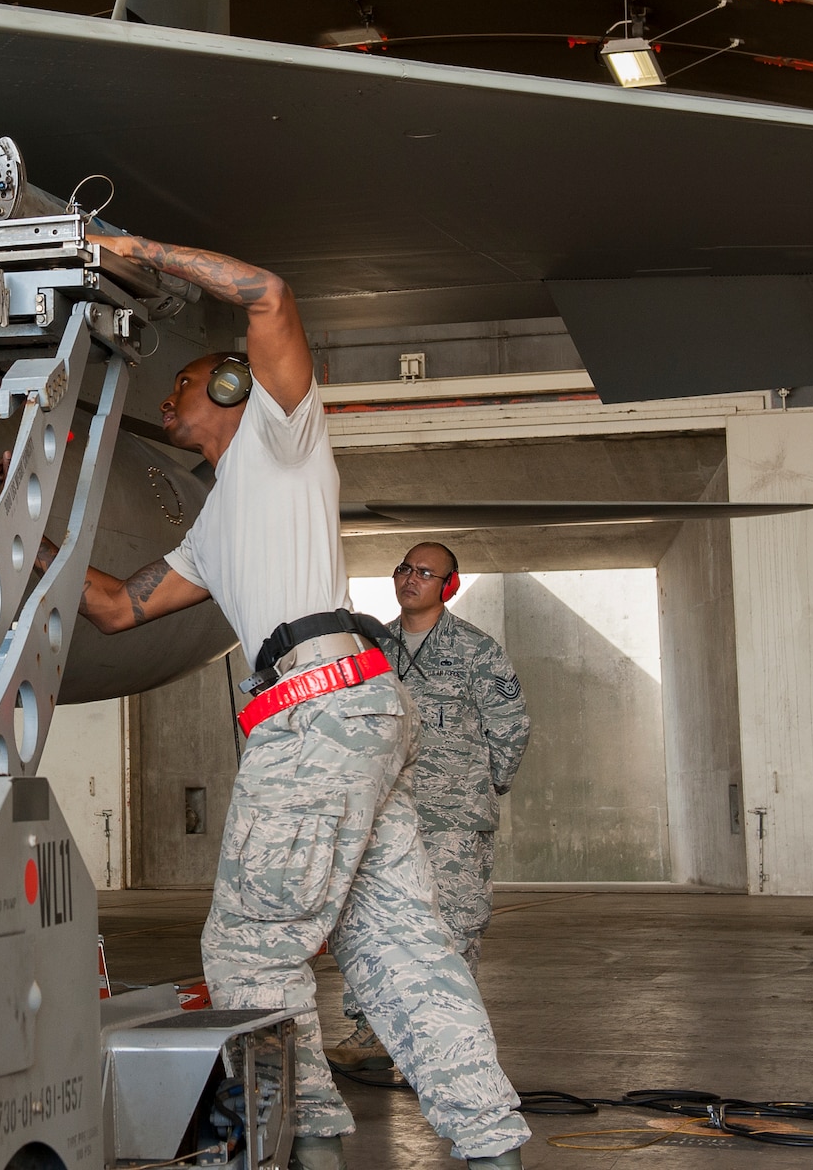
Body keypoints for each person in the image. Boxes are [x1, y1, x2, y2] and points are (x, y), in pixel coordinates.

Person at [46, 234, 531, 1170]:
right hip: (355, 715)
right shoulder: (213, 524)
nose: (167, 402)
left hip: (316, 713)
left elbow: (268, 291)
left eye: (179, 385)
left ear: (226, 387)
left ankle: (309, 1140)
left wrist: (123, 247)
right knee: (400, 952)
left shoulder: (285, 439)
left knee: (252, 951)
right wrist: (21, 539)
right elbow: (113, 608)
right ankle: (492, 1148)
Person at [332, 542, 532, 1066]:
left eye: (425, 572)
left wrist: (483, 788)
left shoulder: (476, 650)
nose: (410, 578)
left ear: (449, 585)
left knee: (456, 921)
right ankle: (369, 1031)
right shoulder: (372, 651)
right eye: (403, 568)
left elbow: (510, 727)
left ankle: (446, 1029)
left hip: (454, 819)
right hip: (384, 815)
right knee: (369, 919)